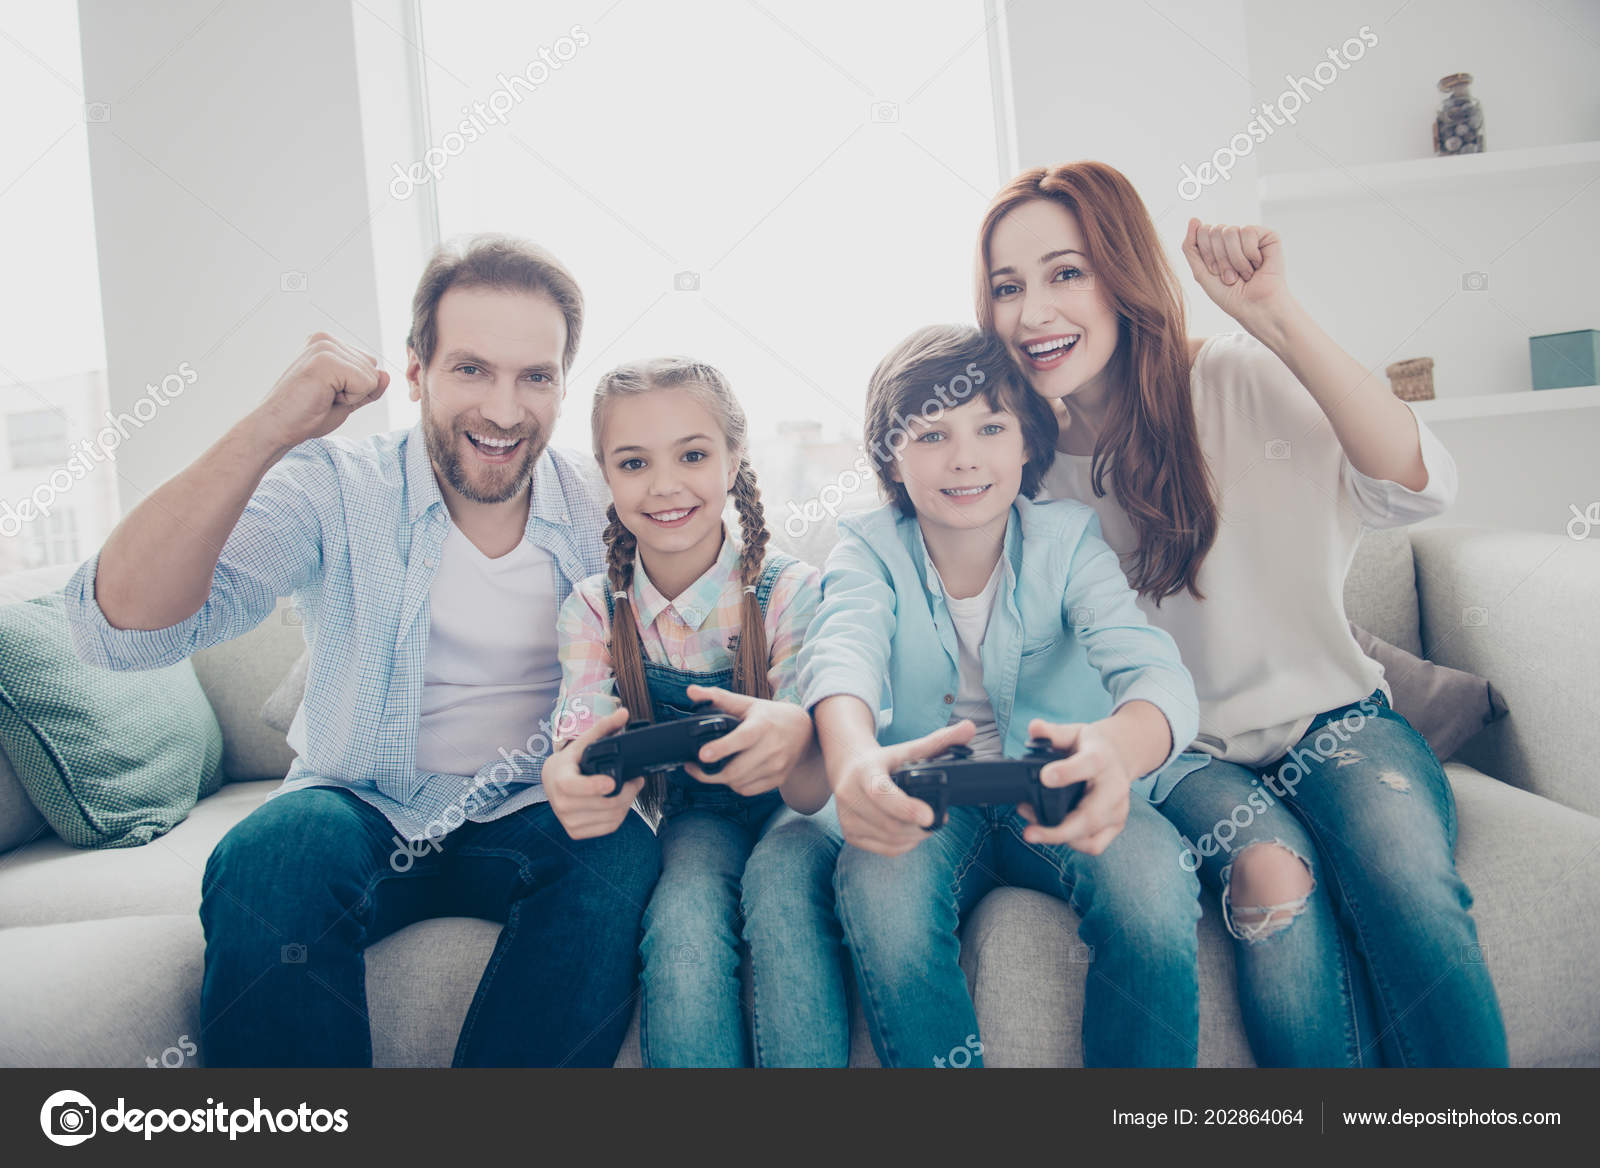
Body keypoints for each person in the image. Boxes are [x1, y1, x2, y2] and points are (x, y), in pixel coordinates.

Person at [65, 235, 659, 1067]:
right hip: (360, 806)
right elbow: (117, 628)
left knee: (620, 851)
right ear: (415, 372)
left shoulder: (604, 504)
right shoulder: (335, 486)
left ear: (564, 382)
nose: (503, 409)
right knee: (274, 850)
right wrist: (271, 426)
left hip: (534, 809)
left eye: (536, 376)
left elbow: (695, 650)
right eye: (471, 370)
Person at [976, 161, 1508, 1066]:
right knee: (1273, 883)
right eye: (1007, 287)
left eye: (1065, 273)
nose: (1033, 313)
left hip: (1334, 720)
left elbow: (1420, 489)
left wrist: (1275, 315)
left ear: (1122, 274)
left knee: (1407, 884)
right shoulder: (1016, 463)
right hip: (1183, 756)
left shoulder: (1236, 380)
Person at [799, 323, 1205, 1068]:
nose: (964, 457)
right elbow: (841, 653)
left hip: (1052, 787)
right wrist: (854, 760)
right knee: (880, 896)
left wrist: (1116, 749)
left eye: (991, 426)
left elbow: (1154, 673)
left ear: (1028, 443)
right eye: (930, 435)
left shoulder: (1068, 540)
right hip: (924, 797)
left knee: (1152, 890)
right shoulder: (865, 546)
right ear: (890, 455)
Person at [542, 356, 849, 1067]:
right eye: (633, 462)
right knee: (680, 919)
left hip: (795, 812)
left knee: (780, 894)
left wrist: (794, 732)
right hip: (693, 818)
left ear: (735, 457)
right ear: (606, 477)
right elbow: (578, 734)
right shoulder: (592, 609)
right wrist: (578, 770)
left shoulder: (791, 590)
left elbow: (815, 782)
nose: (665, 484)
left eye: (693, 454)